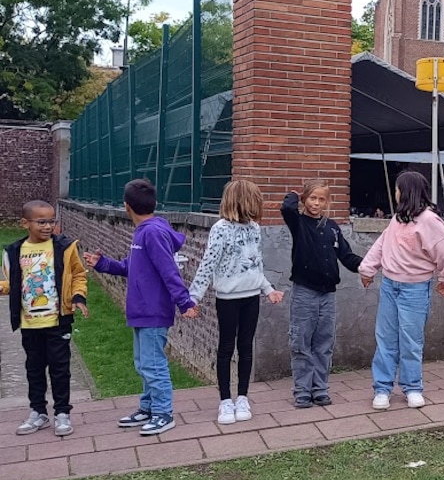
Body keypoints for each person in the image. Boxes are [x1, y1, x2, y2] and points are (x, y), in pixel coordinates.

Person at [86, 179, 196, 436]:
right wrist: (102, 264)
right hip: (140, 310)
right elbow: (130, 266)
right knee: (143, 363)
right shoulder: (144, 231)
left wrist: (184, 302)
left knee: (153, 364)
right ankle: (147, 408)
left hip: (153, 311)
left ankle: (163, 413)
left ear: (126, 207)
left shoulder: (152, 233)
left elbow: (169, 271)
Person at [186, 180, 285, 424]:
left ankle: (242, 397)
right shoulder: (220, 229)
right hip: (228, 299)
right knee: (226, 347)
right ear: (242, 201)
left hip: (251, 297)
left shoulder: (254, 228)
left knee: (246, 347)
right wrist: (192, 298)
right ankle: (225, 401)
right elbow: (207, 265)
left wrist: (268, 289)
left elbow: (256, 265)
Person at [360, 171, 444, 411]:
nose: (395, 193)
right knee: (385, 339)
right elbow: (381, 244)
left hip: (414, 289)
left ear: (407, 191)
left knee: (411, 341)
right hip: (389, 286)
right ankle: (382, 388)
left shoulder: (429, 221)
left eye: (397, 188)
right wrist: (367, 268)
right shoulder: (398, 218)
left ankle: (412, 387)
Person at [3, 201, 88, 437]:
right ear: (25, 223)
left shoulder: (65, 247)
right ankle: (38, 412)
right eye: (42, 222)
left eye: (52, 221)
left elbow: (79, 275)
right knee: (34, 368)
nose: (48, 226)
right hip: (29, 323)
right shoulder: (14, 251)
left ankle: (62, 413)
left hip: (57, 322)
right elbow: (14, 284)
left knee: (60, 369)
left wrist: (78, 297)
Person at [281, 180, 363, 409]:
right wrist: (295, 194)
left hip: (327, 295)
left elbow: (347, 256)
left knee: (324, 343)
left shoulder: (332, 228)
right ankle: (302, 390)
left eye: (321, 199)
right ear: (305, 199)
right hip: (304, 293)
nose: (316, 203)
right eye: (312, 198)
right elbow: (287, 208)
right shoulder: (298, 223)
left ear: (327, 202)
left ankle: (320, 389)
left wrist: (367, 265)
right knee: (301, 342)